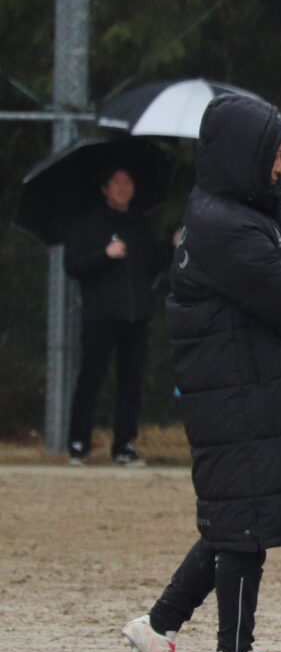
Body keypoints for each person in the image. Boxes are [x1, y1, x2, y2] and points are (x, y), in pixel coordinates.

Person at [120, 93, 281, 652]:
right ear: (249, 155)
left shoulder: (232, 213)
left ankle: (159, 627)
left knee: (237, 517)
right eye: (275, 155)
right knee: (243, 521)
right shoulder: (227, 225)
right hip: (236, 393)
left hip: (242, 388)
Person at [65, 165, 167, 465]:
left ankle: (123, 445)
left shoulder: (140, 225)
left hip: (135, 317)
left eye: (128, 182)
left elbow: (153, 263)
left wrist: (174, 246)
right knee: (91, 379)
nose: (123, 187)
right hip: (100, 316)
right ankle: (79, 443)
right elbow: (73, 267)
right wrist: (104, 254)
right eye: (116, 182)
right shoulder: (88, 225)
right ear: (105, 189)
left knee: (130, 383)